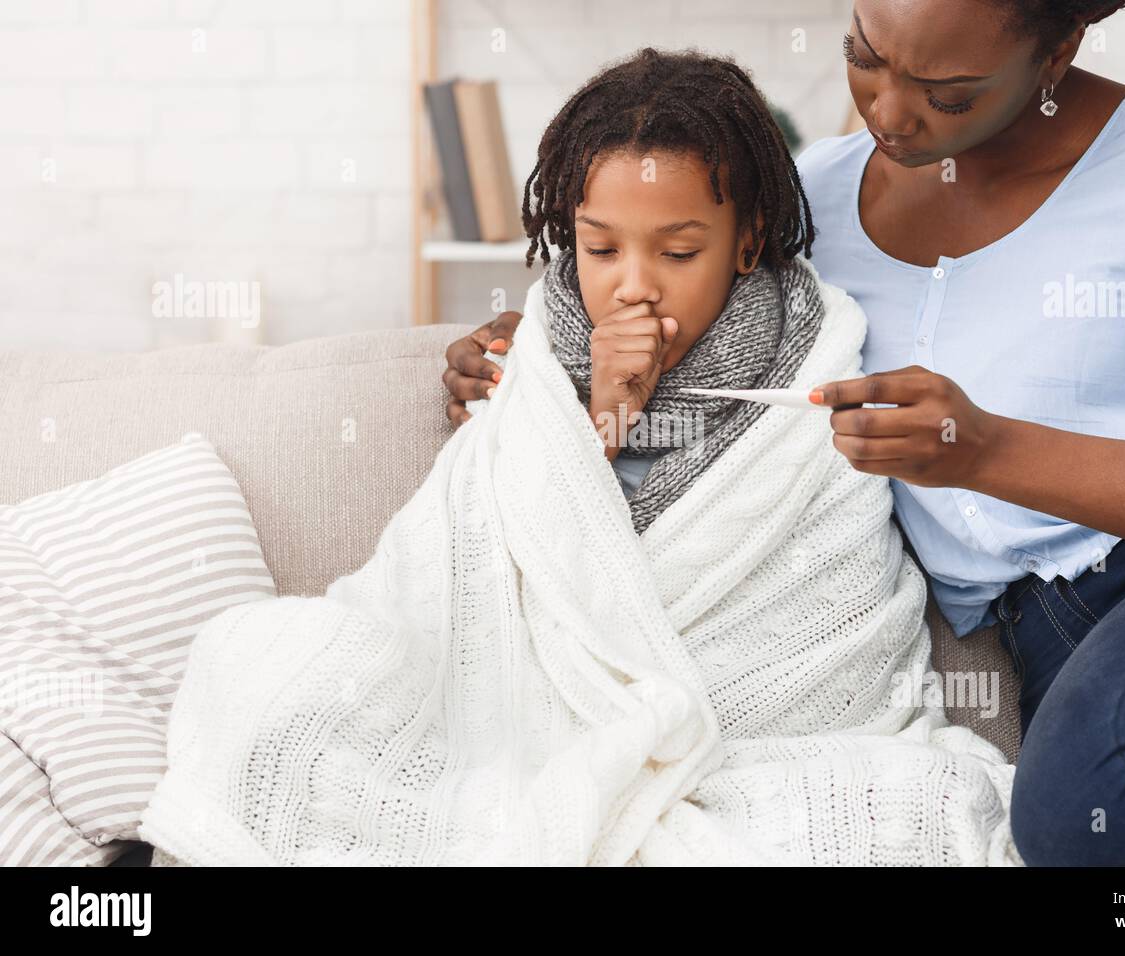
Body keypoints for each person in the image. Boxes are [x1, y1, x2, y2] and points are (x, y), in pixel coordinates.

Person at [442, 1, 1125, 866]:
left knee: (1085, 807)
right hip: (1050, 634)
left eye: (948, 94)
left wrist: (990, 451)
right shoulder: (813, 194)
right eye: (865, 56)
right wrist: (534, 358)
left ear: (1058, 52)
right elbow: (686, 304)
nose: (887, 112)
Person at [141, 47, 1020, 866]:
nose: (631, 283)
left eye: (678, 251)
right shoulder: (529, 357)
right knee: (267, 681)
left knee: (894, 808)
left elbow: (828, 614)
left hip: (742, 740)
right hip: (508, 723)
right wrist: (597, 418)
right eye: (600, 248)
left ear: (748, 239)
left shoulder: (817, 364)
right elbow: (469, 576)